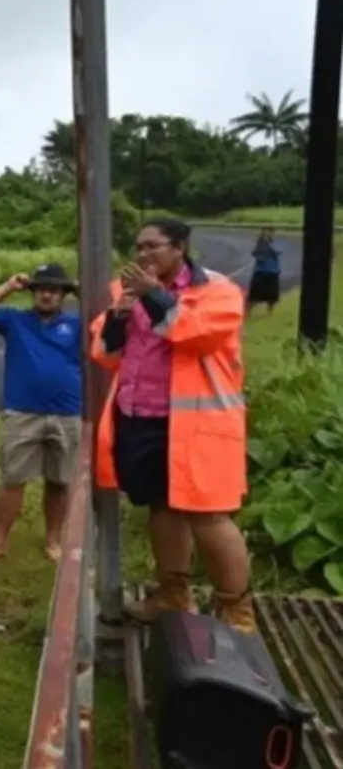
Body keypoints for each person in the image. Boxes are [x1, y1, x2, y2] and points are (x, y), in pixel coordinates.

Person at [90, 220, 254, 633]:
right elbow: (106, 352)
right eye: (138, 247)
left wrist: (152, 295)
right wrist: (118, 317)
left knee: (208, 515)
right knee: (160, 506)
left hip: (197, 424)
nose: (143, 255)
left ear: (179, 247)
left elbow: (194, 335)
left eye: (153, 247)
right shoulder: (122, 291)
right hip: (139, 419)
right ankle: (173, 595)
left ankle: (236, 607)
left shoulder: (217, 291)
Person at [0, 263, 82, 564]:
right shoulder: (15, 321)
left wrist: (85, 294)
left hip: (67, 411)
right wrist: (7, 287)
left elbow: (109, 322)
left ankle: (54, 540)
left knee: (59, 481)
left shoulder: (78, 324)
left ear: (63, 295)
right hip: (22, 413)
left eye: (54, 290)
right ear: (33, 293)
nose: (46, 295)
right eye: (41, 289)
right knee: (12, 480)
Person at [246, 227, 281, 316]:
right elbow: (255, 253)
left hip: (272, 271)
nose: (269, 235)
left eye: (271, 233)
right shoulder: (260, 244)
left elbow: (279, 251)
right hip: (261, 271)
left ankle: (269, 313)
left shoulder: (275, 244)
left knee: (272, 295)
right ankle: (248, 312)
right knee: (254, 295)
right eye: (266, 233)